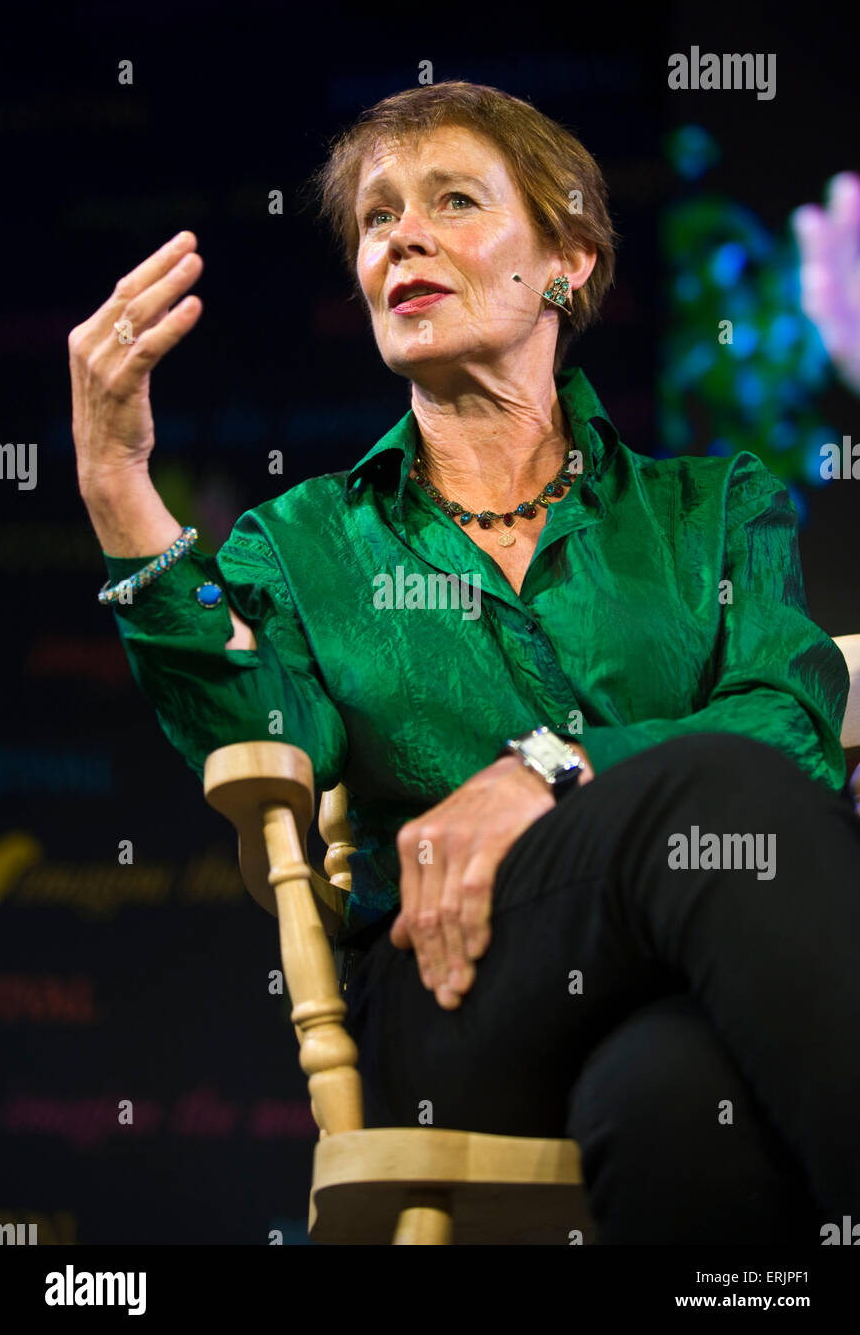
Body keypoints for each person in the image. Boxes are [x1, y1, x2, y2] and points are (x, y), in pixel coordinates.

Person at [69, 81, 860, 1244]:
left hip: (685, 1007)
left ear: (568, 262)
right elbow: (261, 734)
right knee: (708, 790)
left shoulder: (715, 509)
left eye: (452, 200)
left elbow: (792, 719)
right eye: (379, 217)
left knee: (678, 1110)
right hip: (457, 997)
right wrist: (117, 491)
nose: (403, 236)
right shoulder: (301, 544)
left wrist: (541, 766)